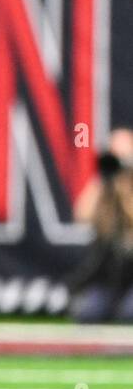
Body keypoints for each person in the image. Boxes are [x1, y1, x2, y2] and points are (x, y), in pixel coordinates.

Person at [68, 128, 133, 322]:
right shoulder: (104, 190)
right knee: (88, 313)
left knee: (129, 313)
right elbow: (81, 214)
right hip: (106, 278)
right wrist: (104, 178)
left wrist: (125, 187)